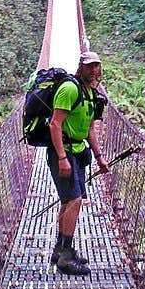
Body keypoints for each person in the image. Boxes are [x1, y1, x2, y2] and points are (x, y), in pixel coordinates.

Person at [47, 50, 109, 276]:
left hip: (78, 152)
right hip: (63, 153)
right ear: (80, 67)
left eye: (97, 66)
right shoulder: (70, 89)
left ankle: (61, 249)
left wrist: (100, 157)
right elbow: (55, 124)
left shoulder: (91, 92)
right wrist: (63, 159)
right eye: (90, 66)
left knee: (69, 201)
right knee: (73, 200)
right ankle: (65, 258)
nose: (94, 70)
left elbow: (90, 129)